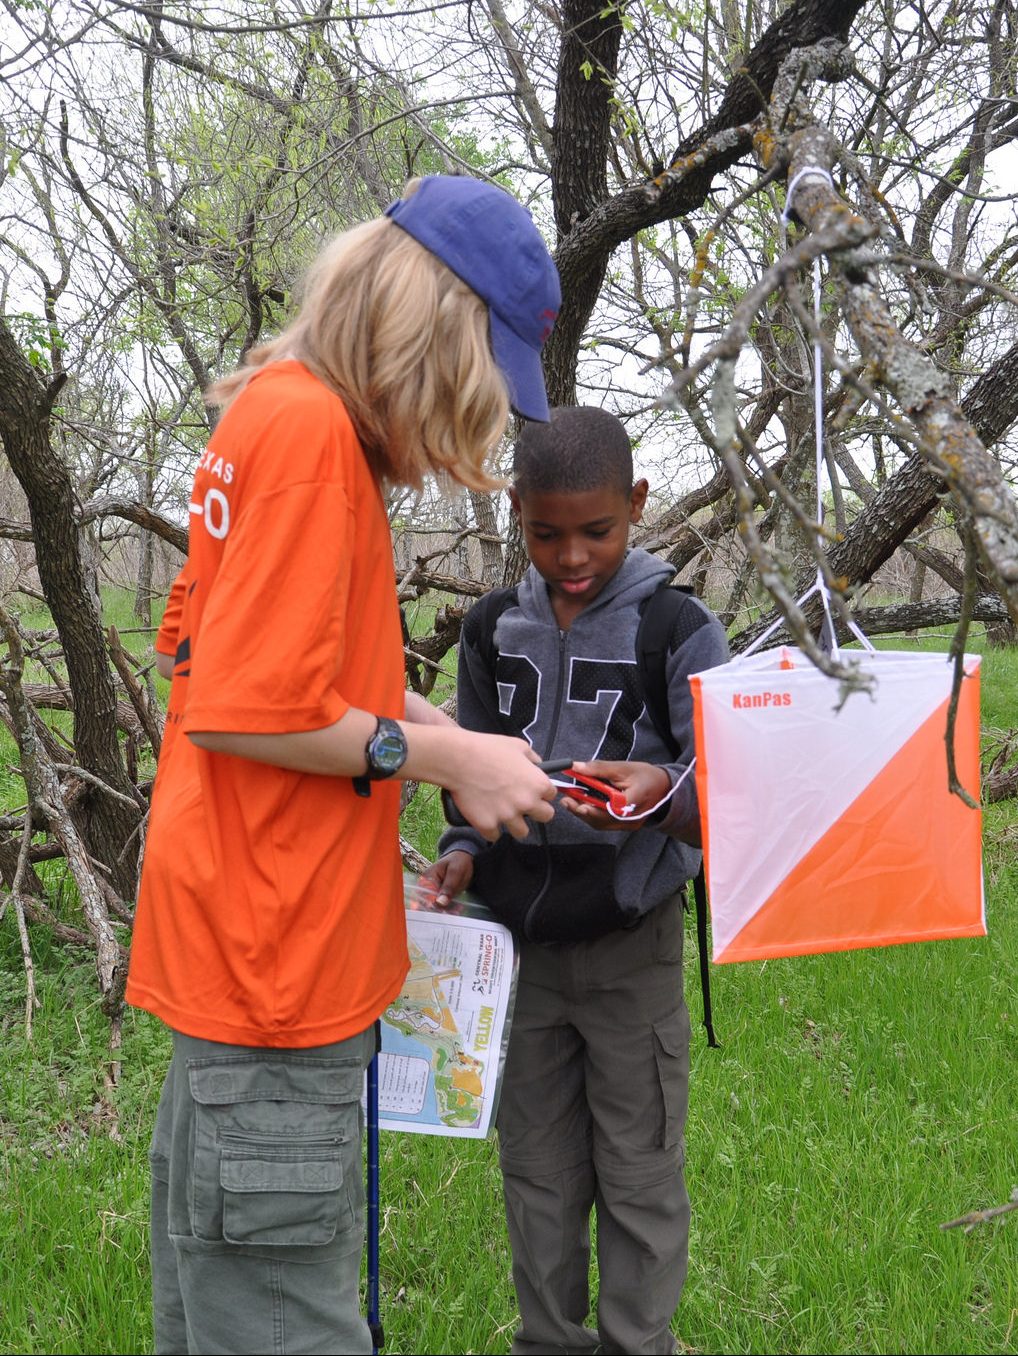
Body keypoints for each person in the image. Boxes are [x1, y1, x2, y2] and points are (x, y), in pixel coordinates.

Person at [125, 174, 562, 1356]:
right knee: (282, 1325)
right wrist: (437, 753)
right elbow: (240, 711)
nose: (465, 423)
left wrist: (457, 749)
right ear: (441, 324)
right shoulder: (315, 442)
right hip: (280, 972)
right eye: (480, 380)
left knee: (215, 1317)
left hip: (239, 944)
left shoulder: (271, 411)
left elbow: (261, 664)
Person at [422, 406, 730, 1356]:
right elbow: (465, 771)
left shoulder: (676, 626)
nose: (571, 555)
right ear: (514, 512)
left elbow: (729, 792)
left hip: (630, 945)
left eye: (597, 530)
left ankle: (642, 1343)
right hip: (517, 953)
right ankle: (546, 1342)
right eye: (545, 532)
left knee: (638, 1170)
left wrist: (660, 796)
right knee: (539, 1171)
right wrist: (462, 853)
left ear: (636, 506)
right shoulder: (487, 628)